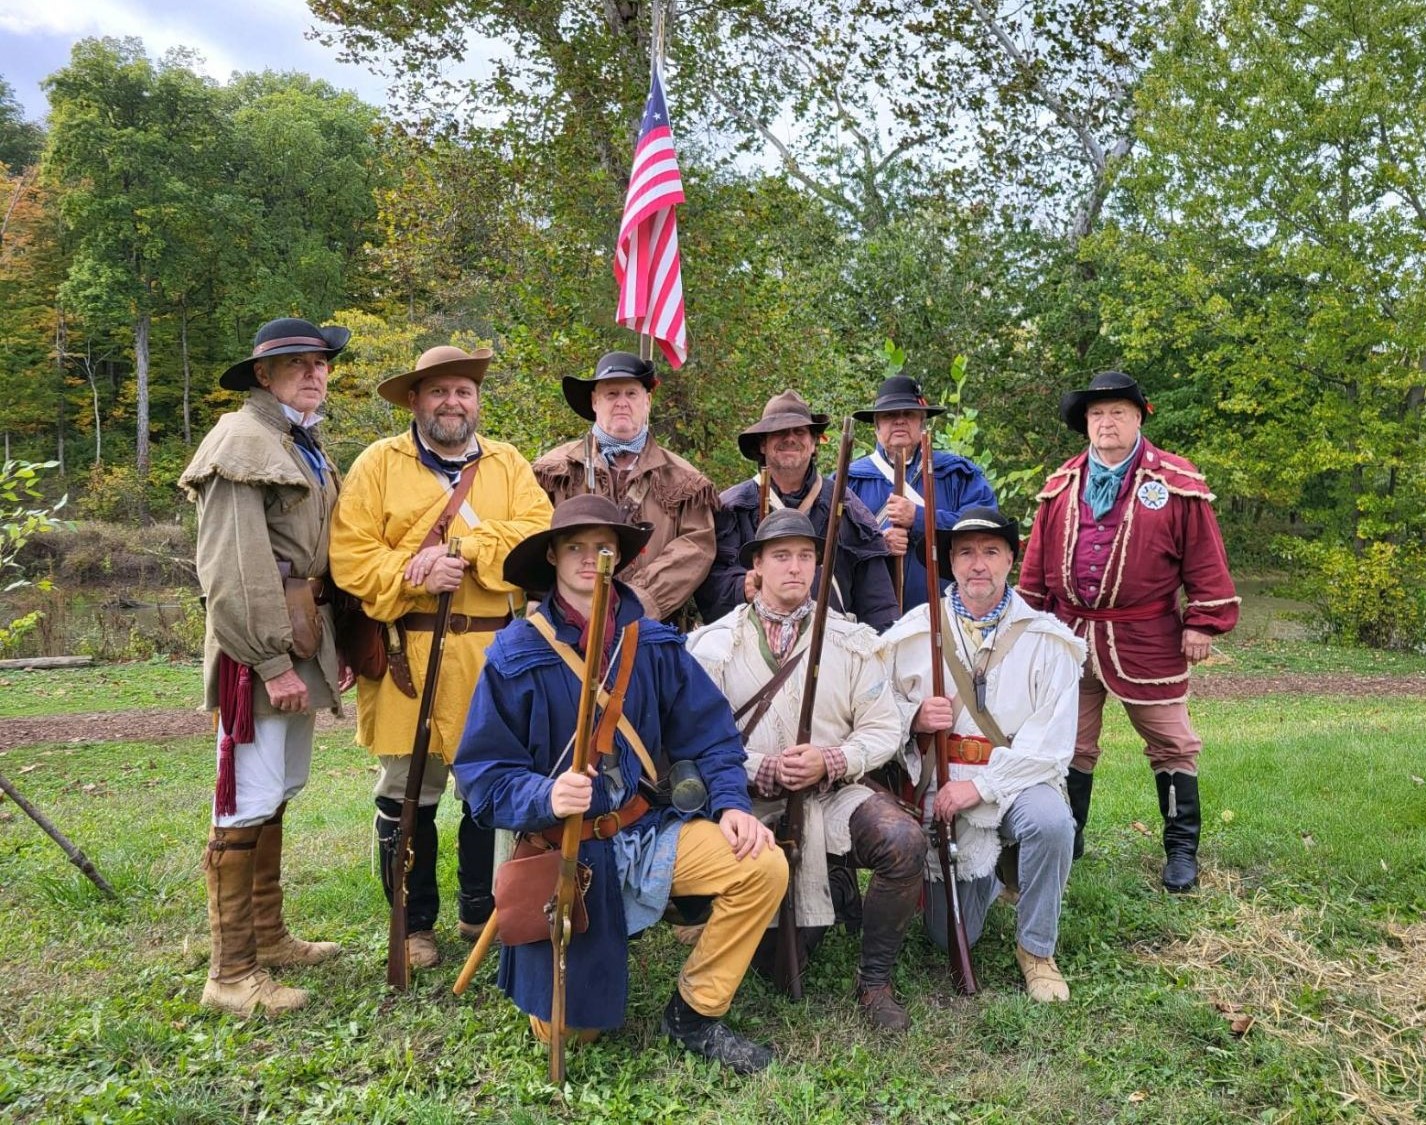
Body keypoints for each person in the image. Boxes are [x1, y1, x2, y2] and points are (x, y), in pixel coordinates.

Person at [452, 495, 788, 1074]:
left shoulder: (653, 643)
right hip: (566, 851)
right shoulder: (514, 653)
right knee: (571, 1033)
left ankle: (694, 1014)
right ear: (553, 556)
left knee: (761, 865)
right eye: (576, 547)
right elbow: (481, 776)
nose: (589, 560)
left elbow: (711, 737)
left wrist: (732, 803)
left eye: (602, 548)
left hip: (646, 831)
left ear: (619, 557)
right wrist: (545, 796)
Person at [328, 345, 553, 968]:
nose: (452, 403)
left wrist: (469, 545)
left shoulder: (508, 463)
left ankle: (478, 909)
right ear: (414, 401)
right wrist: (412, 572)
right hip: (410, 653)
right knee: (407, 790)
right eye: (438, 392)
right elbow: (350, 557)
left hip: (492, 655)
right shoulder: (377, 464)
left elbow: (538, 534)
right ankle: (413, 922)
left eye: (463, 392)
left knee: (489, 784)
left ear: (477, 402)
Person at [688, 509, 925, 1029]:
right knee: (777, 973)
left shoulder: (853, 641)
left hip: (832, 794)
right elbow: (693, 738)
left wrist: (831, 759)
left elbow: (884, 728)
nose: (794, 567)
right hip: (747, 805)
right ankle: (831, 890)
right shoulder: (712, 646)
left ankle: (875, 981)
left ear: (818, 565)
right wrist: (759, 769)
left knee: (904, 841)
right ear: (757, 566)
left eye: (804, 556)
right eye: (780, 556)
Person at [178, 317, 352, 1016]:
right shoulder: (240, 443)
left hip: (300, 638)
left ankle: (269, 934)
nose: (314, 374)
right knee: (246, 795)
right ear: (262, 376)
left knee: (277, 786)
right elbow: (232, 565)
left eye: (321, 363)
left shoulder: (295, 441)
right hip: (260, 652)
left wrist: (324, 650)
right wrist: (270, 659)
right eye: (296, 365)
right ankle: (231, 972)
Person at [1017, 371, 1239, 892]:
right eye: (1097, 415)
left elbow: (1205, 559)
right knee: (1067, 744)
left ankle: (1181, 851)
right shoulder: (1061, 485)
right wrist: (1027, 627)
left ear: (1139, 417)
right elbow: (1033, 569)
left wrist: (1203, 620)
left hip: (1147, 637)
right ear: (1086, 425)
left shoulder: (1176, 482)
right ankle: (1068, 838)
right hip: (1069, 636)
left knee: (1171, 742)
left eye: (1117, 412)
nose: (1106, 422)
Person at [884, 508, 1084, 1001]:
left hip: (1014, 782)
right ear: (950, 560)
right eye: (967, 552)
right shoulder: (912, 634)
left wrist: (983, 786)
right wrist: (913, 719)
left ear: (1011, 560)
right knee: (946, 937)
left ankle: (1036, 949)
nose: (979, 564)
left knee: (1052, 821)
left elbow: (1052, 744)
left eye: (991, 552)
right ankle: (996, 874)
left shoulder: (1047, 640)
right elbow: (874, 711)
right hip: (940, 787)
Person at [531, 351, 718, 624]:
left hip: (649, 629)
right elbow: (535, 536)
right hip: (565, 621)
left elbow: (695, 548)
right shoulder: (552, 472)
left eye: (631, 394)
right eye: (611, 394)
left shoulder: (686, 482)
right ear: (595, 401)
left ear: (648, 401)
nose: (622, 403)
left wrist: (638, 599)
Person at [695, 390, 898, 632]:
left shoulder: (844, 503)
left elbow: (876, 596)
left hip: (832, 647)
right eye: (780, 432)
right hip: (754, 649)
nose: (790, 438)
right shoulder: (732, 507)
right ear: (763, 444)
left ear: (813, 444)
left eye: (800, 431)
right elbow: (709, 585)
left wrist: (882, 645)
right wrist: (741, 587)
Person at [843, 375, 997, 610]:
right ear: (876, 427)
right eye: (889, 415)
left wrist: (919, 518)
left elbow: (983, 529)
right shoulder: (848, 481)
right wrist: (877, 544)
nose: (899, 421)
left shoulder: (959, 475)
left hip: (946, 613)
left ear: (922, 422)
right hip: (870, 617)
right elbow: (831, 547)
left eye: (909, 414)